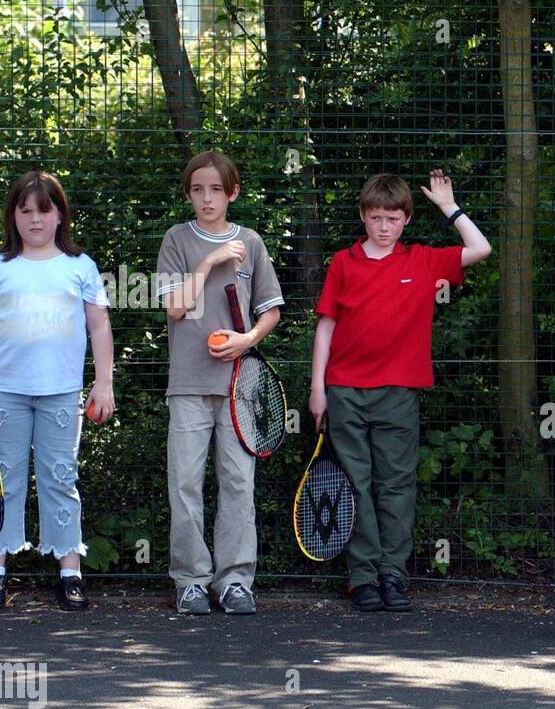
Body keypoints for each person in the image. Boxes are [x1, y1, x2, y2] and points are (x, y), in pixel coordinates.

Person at [309, 170, 491, 611]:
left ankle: (393, 575)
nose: (384, 226)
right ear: (363, 217)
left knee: (396, 486)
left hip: (400, 392)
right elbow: (326, 325)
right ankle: (363, 577)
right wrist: (318, 388)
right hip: (345, 391)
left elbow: (481, 248)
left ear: (406, 219)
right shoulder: (343, 263)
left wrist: (449, 207)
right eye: (376, 218)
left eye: (392, 218)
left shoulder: (423, 261)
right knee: (355, 484)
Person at [0, 171, 115, 610]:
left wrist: (103, 383)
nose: (34, 219)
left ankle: (69, 573)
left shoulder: (79, 267)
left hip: (62, 394)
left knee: (60, 478)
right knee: (0, 480)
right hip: (3, 393)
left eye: (43, 210)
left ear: (60, 215)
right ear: (13, 216)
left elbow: (99, 325)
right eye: (25, 210)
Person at [157, 151, 283, 615]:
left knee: (237, 483)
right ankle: (190, 581)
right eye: (197, 190)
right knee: (186, 483)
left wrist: (246, 339)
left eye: (215, 190)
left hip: (239, 388)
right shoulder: (176, 239)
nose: (206, 198)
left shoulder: (251, 241)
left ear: (232, 192)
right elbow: (173, 307)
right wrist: (208, 262)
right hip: (188, 386)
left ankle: (234, 581)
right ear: (188, 194)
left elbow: (270, 309)